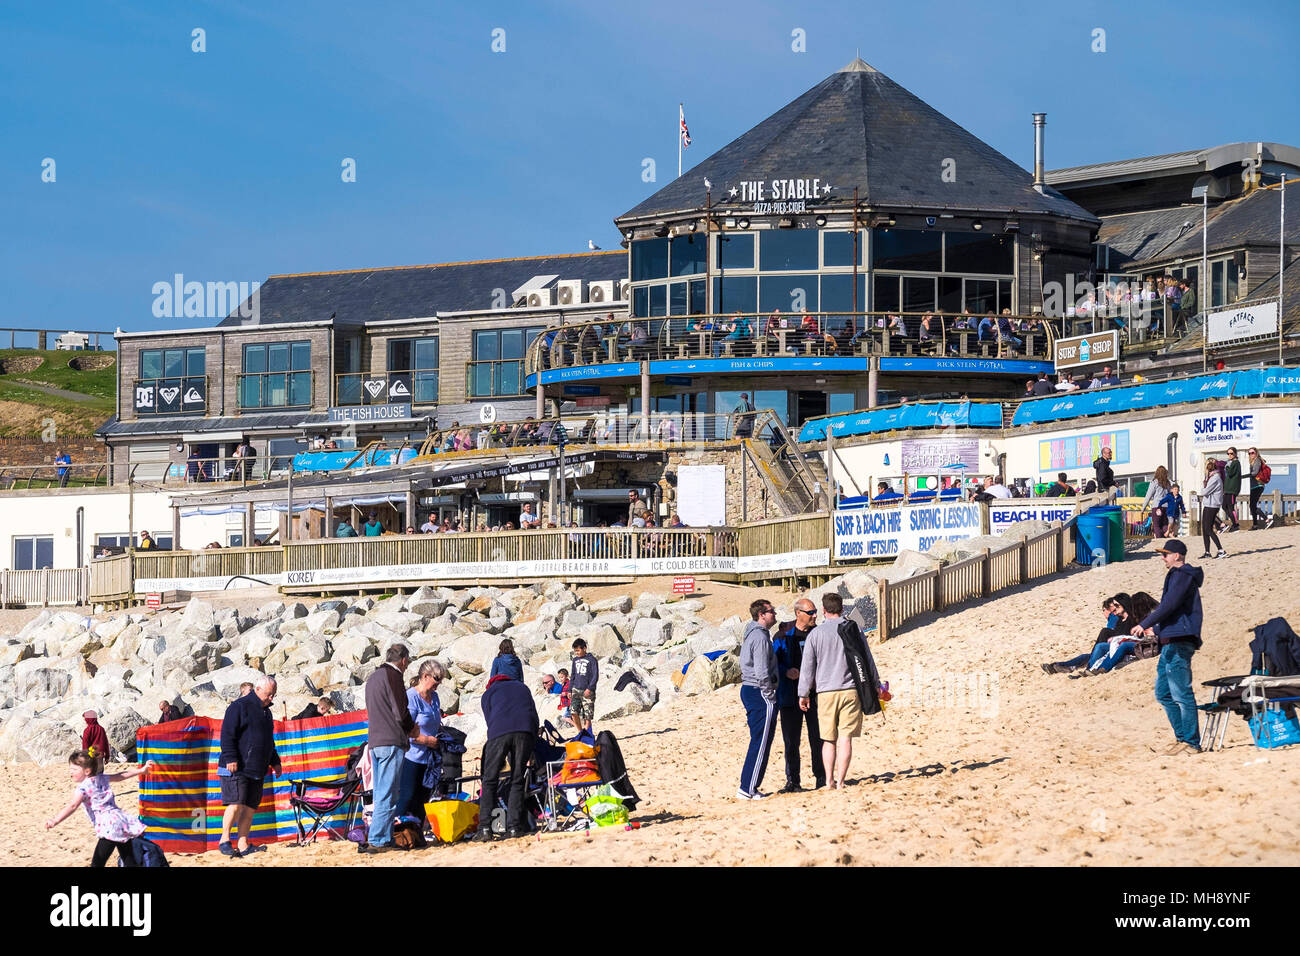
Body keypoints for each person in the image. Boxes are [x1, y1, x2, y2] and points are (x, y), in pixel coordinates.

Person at [798, 593, 881, 790]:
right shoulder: (854, 629)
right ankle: (842, 781)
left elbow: (807, 667)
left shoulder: (815, 634)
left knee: (828, 739)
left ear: (824, 611)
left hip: (826, 692)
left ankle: (829, 781)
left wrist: (803, 693)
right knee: (845, 738)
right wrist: (875, 683)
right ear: (842, 609)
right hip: (851, 690)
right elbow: (867, 658)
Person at [1131, 540, 1204, 755]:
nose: (1162, 558)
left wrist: (1144, 624)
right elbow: (1172, 609)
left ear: (1177, 556)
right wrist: (1159, 630)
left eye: (1166, 554)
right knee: (1163, 693)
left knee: (1182, 693)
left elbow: (1169, 605)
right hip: (1170, 640)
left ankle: (1191, 742)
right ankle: (1183, 738)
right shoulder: (1177, 576)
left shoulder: (1182, 575)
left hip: (1180, 640)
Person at [45, 749, 155, 867]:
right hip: (120, 820)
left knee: (97, 863)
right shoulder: (101, 778)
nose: (70, 772)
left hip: (108, 825)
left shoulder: (83, 788)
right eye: (70, 769)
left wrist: (55, 820)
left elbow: (72, 806)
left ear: (87, 771)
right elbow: (120, 776)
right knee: (128, 858)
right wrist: (141, 770)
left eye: (74, 769)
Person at [358, 645, 415, 854]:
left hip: (375, 740)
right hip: (391, 741)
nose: (407, 666)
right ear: (403, 660)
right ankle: (379, 839)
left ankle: (383, 836)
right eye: (407, 662)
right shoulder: (393, 676)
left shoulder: (373, 677)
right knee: (388, 793)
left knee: (382, 791)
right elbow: (400, 712)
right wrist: (413, 729)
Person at [217, 676, 281, 858]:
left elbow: (269, 741)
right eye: (269, 694)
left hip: (257, 768)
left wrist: (275, 761)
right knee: (236, 803)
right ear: (258, 689)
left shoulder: (267, 713)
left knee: (250, 807)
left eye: (273, 695)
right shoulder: (239, 706)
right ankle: (224, 840)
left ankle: (243, 844)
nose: (271, 698)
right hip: (236, 766)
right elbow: (227, 734)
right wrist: (230, 757)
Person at [473, 671, 539, 841]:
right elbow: (533, 714)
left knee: (490, 780)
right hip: (525, 731)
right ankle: (514, 828)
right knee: (517, 779)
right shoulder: (522, 687)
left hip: (499, 732)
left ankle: (485, 828)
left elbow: (490, 720)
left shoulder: (488, 693)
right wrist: (532, 741)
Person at [772, 598, 826, 792]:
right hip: (789, 695)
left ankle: (821, 777)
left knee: (818, 738)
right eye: (810, 612)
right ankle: (793, 781)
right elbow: (772, 662)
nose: (814, 616)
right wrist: (786, 671)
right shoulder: (782, 635)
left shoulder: (818, 634)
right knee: (791, 741)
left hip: (815, 694)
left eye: (815, 612)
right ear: (798, 613)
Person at [738, 598, 779, 800]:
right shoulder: (760, 638)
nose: (775, 615)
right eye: (772, 611)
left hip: (751, 690)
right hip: (759, 692)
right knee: (761, 742)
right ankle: (748, 788)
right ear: (761, 614)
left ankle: (748, 785)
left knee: (759, 740)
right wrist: (770, 695)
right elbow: (762, 671)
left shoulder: (754, 634)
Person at [396, 659, 446, 824]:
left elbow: (435, 723)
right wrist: (427, 740)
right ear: (425, 676)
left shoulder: (435, 697)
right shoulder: (411, 697)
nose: (437, 685)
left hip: (430, 758)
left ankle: (416, 833)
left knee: (423, 799)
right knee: (407, 796)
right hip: (411, 756)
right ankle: (397, 833)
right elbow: (406, 730)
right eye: (435, 680)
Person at [568, 638, 598, 736]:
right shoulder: (575, 660)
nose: (576, 653)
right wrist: (569, 689)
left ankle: (587, 734)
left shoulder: (592, 660)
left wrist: (590, 688)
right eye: (575, 651)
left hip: (587, 690)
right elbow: (573, 675)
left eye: (578, 650)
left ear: (584, 648)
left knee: (587, 716)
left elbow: (595, 675)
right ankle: (580, 733)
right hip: (576, 689)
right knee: (573, 712)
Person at [1198, 459, 1227, 559]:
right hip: (1208, 504)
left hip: (1212, 505)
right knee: (1205, 529)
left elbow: (1205, 492)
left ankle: (1221, 550)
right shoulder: (1212, 478)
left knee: (1208, 529)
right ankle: (1207, 552)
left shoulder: (1215, 478)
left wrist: (1204, 486)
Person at [1141, 465, 1173, 537]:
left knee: (1156, 525)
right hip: (1166, 507)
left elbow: (1148, 496)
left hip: (1157, 507)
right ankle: (1167, 537)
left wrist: (1143, 508)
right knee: (1164, 524)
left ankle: (1159, 540)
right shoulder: (1168, 483)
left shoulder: (1154, 482)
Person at [1246, 447, 1272, 530]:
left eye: (1252, 452)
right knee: (1252, 505)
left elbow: (1255, 472)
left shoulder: (1257, 460)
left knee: (1252, 505)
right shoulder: (1253, 461)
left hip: (1258, 485)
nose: (1251, 454)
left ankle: (1266, 520)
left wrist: (1243, 476)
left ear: (1256, 453)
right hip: (1254, 486)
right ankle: (1255, 525)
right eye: (1249, 453)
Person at [1222, 447, 1242, 532]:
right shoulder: (1231, 463)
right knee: (1224, 506)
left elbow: (1230, 473)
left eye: (1231, 453)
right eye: (1228, 453)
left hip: (1232, 489)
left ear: (1235, 454)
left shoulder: (1236, 463)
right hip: (1227, 489)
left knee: (1230, 507)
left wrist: (1226, 467)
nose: (1229, 455)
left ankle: (1236, 524)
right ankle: (1234, 523)